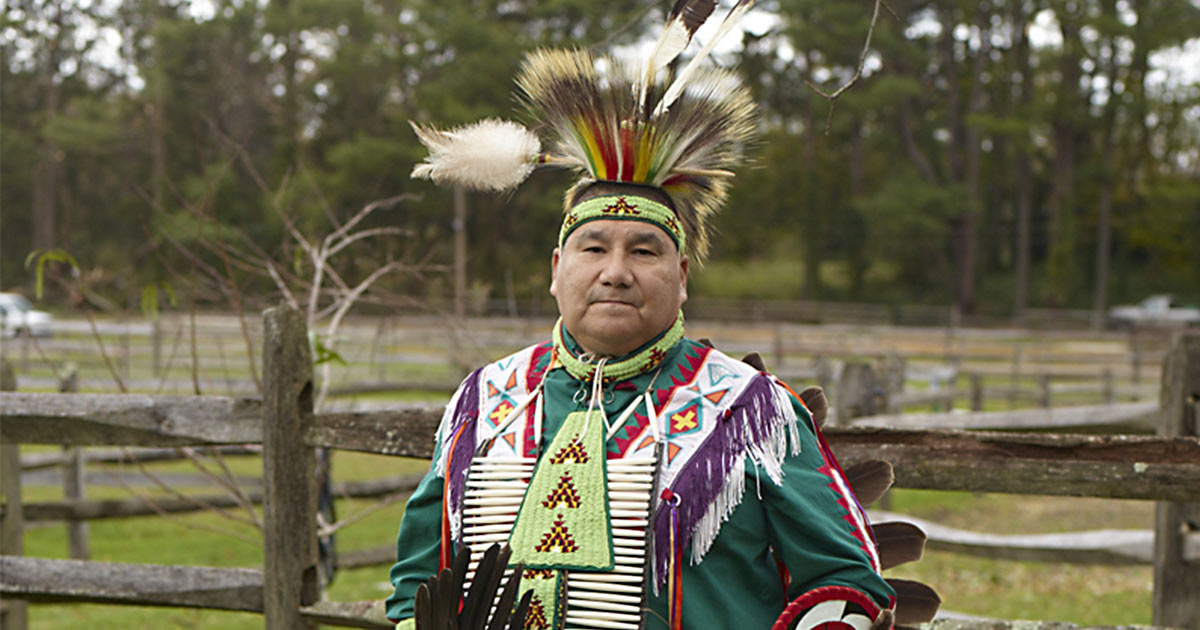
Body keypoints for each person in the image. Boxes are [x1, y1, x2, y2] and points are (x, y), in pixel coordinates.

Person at [385, 19, 911, 629]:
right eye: (593, 248)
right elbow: (418, 579)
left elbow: (845, 581)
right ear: (556, 269)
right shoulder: (484, 400)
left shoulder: (750, 412)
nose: (615, 272)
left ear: (681, 275)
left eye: (643, 250)